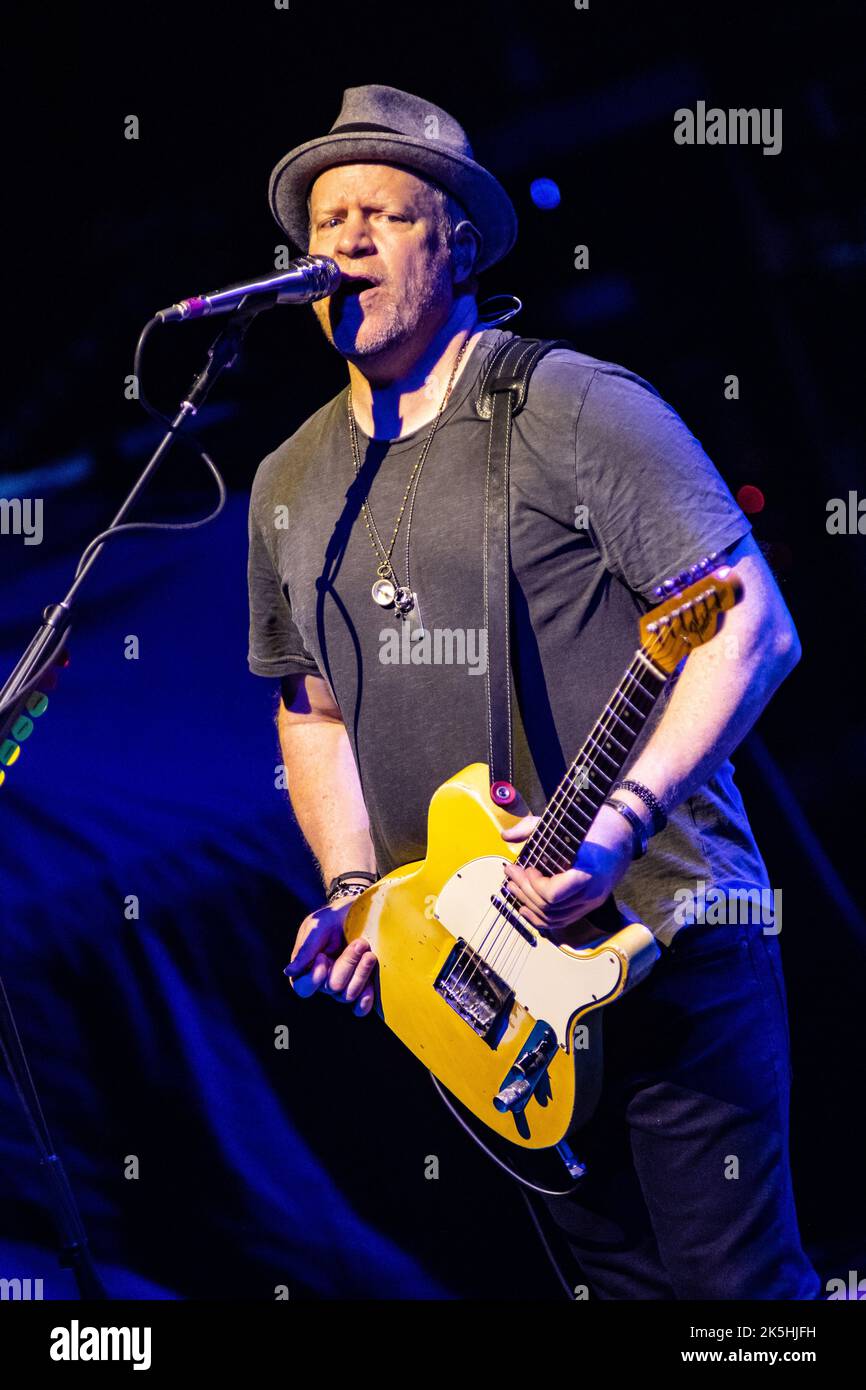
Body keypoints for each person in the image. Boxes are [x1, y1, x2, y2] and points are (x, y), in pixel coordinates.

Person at [247, 84, 821, 1300]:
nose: (340, 239)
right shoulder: (287, 480)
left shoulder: (568, 405)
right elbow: (314, 715)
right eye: (324, 218)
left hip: (660, 936)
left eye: (380, 214)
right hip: (487, 993)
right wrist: (356, 892)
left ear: (454, 242)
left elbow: (750, 628)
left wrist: (612, 829)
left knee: (735, 1301)